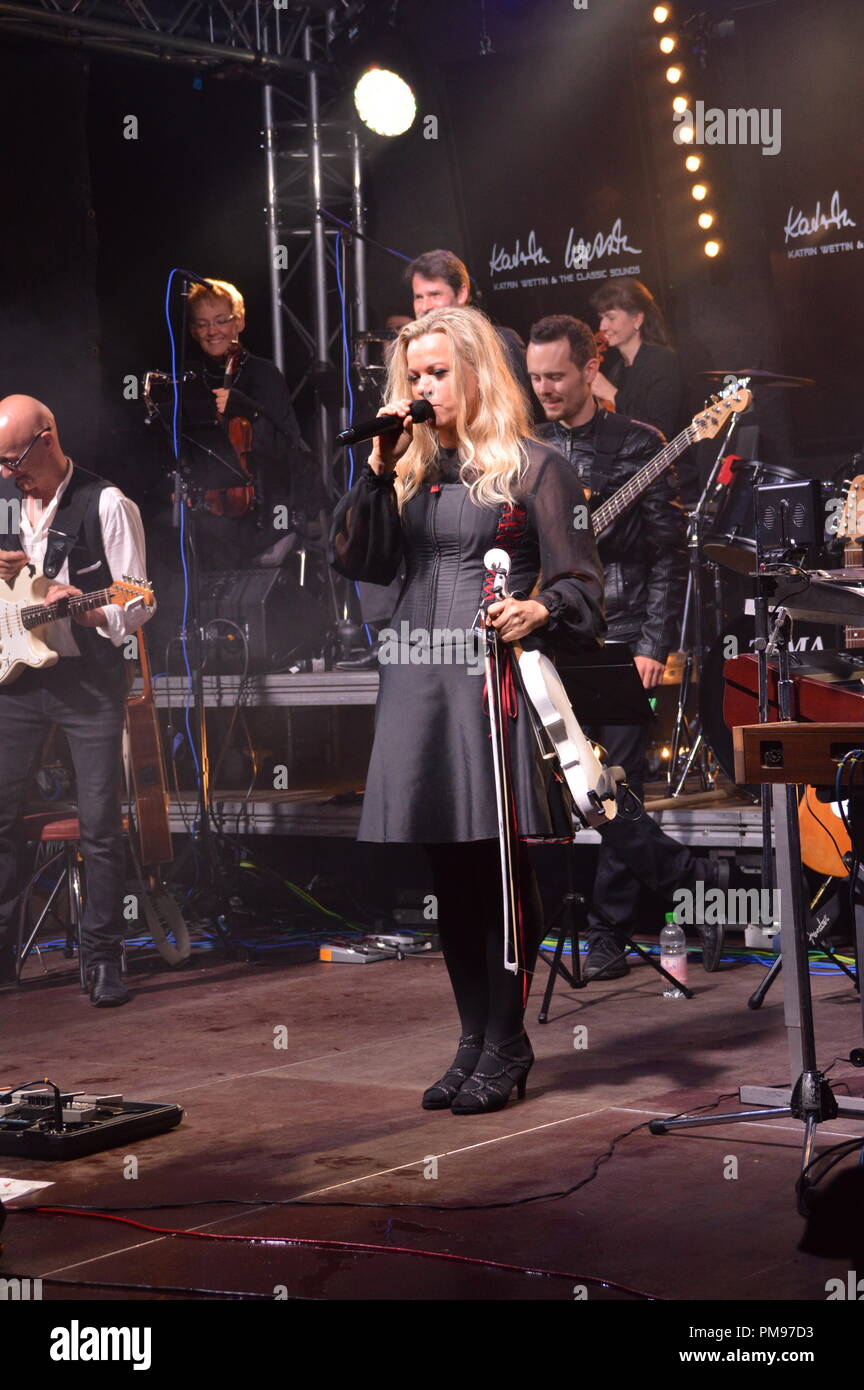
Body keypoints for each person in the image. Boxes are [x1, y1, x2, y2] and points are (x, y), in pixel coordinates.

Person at [330, 307, 605, 1111]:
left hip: (490, 685)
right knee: (449, 874)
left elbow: (584, 584)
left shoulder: (537, 467)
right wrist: (378, 471)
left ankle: (508, 1043)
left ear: (478, 373)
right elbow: (356, 559)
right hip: (418, 679)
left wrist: (539, 609)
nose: (423, 387)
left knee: (498, 871)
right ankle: (471, 1038)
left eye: (439, 372)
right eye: (414, 375)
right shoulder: (406, 470)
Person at [526, 315, 726, 978]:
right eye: (535, 377)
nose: (545, 388)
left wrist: (653, 641)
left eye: (556, 375)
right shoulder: (528, 445)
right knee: (576, 790)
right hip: (550, 636)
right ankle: (697, 884)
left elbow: (670, 554)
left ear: (589, 368)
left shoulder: (639, 442)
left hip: (623, 634)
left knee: (618, 789)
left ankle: (608, 931)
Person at [0, 395, 153, 1004]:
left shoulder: (106, 502)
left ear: (48, 439)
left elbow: (138, 600)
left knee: (99, 825)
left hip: (87, 679)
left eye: (15, 460)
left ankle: (103, 959)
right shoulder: (5, 498)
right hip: (17, 679)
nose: (10, 474)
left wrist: (82, 610)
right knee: (1, 819)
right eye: (1, 463)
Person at [183, 277, 316, 568]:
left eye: (221, 320)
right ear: (193, 331)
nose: (212, 331)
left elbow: (289, 449)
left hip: (264, 509)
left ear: (239, 322)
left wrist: (249, 409)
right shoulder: (190, 380)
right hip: (210, 510)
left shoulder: (263, 374)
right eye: (202, 324)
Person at [589, 278, 686, 444]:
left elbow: (660, 430)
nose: (602, 327)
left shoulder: (663, 361)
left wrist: (611, 394)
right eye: (601, 318)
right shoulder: (617, 370)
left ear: (637, 319)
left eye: (610, 318)